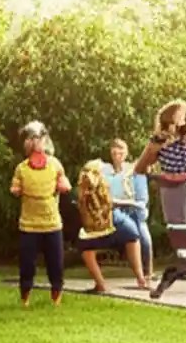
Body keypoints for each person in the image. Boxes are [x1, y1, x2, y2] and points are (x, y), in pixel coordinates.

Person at [10, 121, 71, 306]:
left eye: (39, 138)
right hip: (28, 224)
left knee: (56, 265)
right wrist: (16, 189)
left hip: (52, 224)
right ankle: (25, 298)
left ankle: (56, 298)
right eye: (32, 138)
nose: (35, 142)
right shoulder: (22, 167)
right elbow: (15, 187)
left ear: (45, 140)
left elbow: (66, 184)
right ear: (27, 142)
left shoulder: (55, 164)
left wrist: (63, 185)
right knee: (27, 265)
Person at [76, 159, 150, 292]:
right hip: (114, 221)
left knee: (85, 249)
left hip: (97, 228)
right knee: (132, 234)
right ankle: (141, 278)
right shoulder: (104, 184)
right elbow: (109, 204)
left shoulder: (83, 189)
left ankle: (101, 284)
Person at [134, 99, 186, 226]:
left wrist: (181, 115)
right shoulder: (158, 139)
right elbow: (140, 167)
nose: (171, 126)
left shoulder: (185, 136)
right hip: (168, 180)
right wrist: (154, 149)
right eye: (168, 123)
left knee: (182, 221)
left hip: (185, 179)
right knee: (171, 223)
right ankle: (177, 245)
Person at [103, 139, 153, 279]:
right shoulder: (105, 172)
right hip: (112, 212)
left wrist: (120, 203)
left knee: (143, 235)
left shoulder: (134, 171)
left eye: (121, 150)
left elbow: (141, 201)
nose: (117, 153)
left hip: (133, 212)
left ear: (126, 153)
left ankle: (147, 274)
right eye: (114, 151)